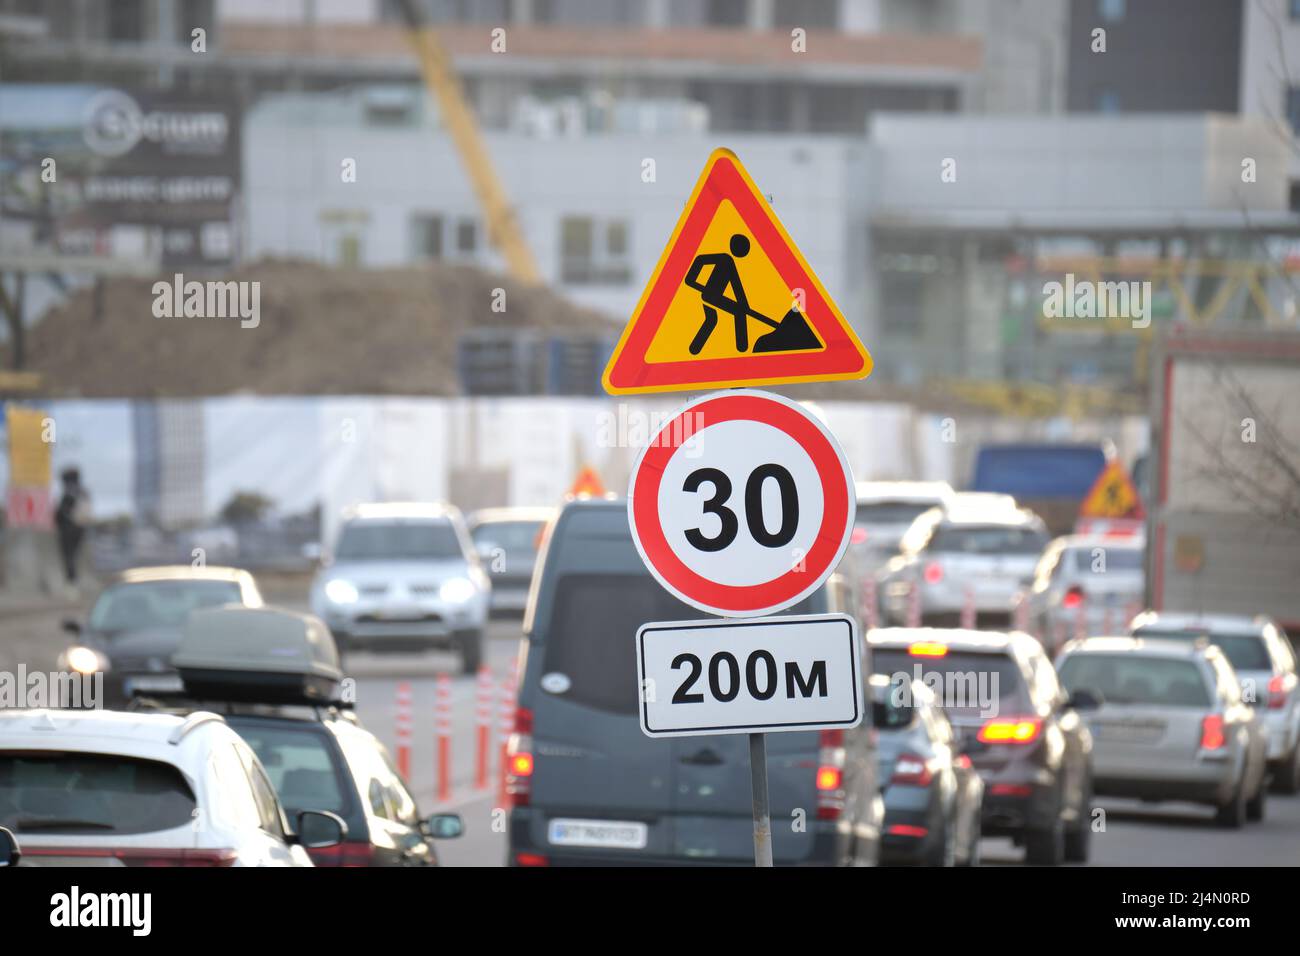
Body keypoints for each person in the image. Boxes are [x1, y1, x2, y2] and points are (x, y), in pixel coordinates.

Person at [684, 233, 755, 355]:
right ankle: (742, 348)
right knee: (733, 314)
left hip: (714, 297)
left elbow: (736, 285)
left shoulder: (728, 261)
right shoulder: (725, 259)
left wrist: (744, 305)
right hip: (710, 296)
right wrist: (692, 281)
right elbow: (700, 260)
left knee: (712, 320)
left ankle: (694, 350)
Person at [54, 467, 91, 585]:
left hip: (68, 529)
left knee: (69, 556)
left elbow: (61, 513)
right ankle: (74, 580)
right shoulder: (83, 492)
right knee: (74, 555)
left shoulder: (69, 492)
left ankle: (71, 581)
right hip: (80, 528)